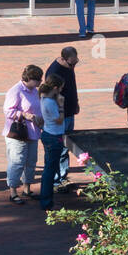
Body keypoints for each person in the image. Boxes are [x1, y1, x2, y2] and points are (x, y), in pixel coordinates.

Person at [3, 64, 45, 203]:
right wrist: (25, 115)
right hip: (18, 133)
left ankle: (27, 188)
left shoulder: (34, 90)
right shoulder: (15, 91)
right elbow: (8, 111)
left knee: (31, 161)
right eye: (38, 79)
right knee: (17, 162)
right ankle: (13, 191)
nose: (40, 82)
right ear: (30, 79)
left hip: (33, 132)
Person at [44, 47, 79, 190]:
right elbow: (49, 96)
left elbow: (72, 86)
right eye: (71, 64)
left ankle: (62, 177)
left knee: (66, 146)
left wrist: (76, 102)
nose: (73, 66)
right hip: (60, 116)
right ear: (63, 59)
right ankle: (55, 180)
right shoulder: (54, 72)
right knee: (58, 147)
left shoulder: (69, 66)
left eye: (76, 62)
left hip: (69, 112)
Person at [37, 76, 68, 211]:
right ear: (55, 88)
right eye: (60, 88)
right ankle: (46, 201)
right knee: (50, 169)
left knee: (48, 168)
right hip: (54, 137)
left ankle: (45, 197)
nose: (61, 90)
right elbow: (59, 120)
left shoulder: (44, 98)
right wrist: (61, 106)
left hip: (48, 134)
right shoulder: (50, 102)